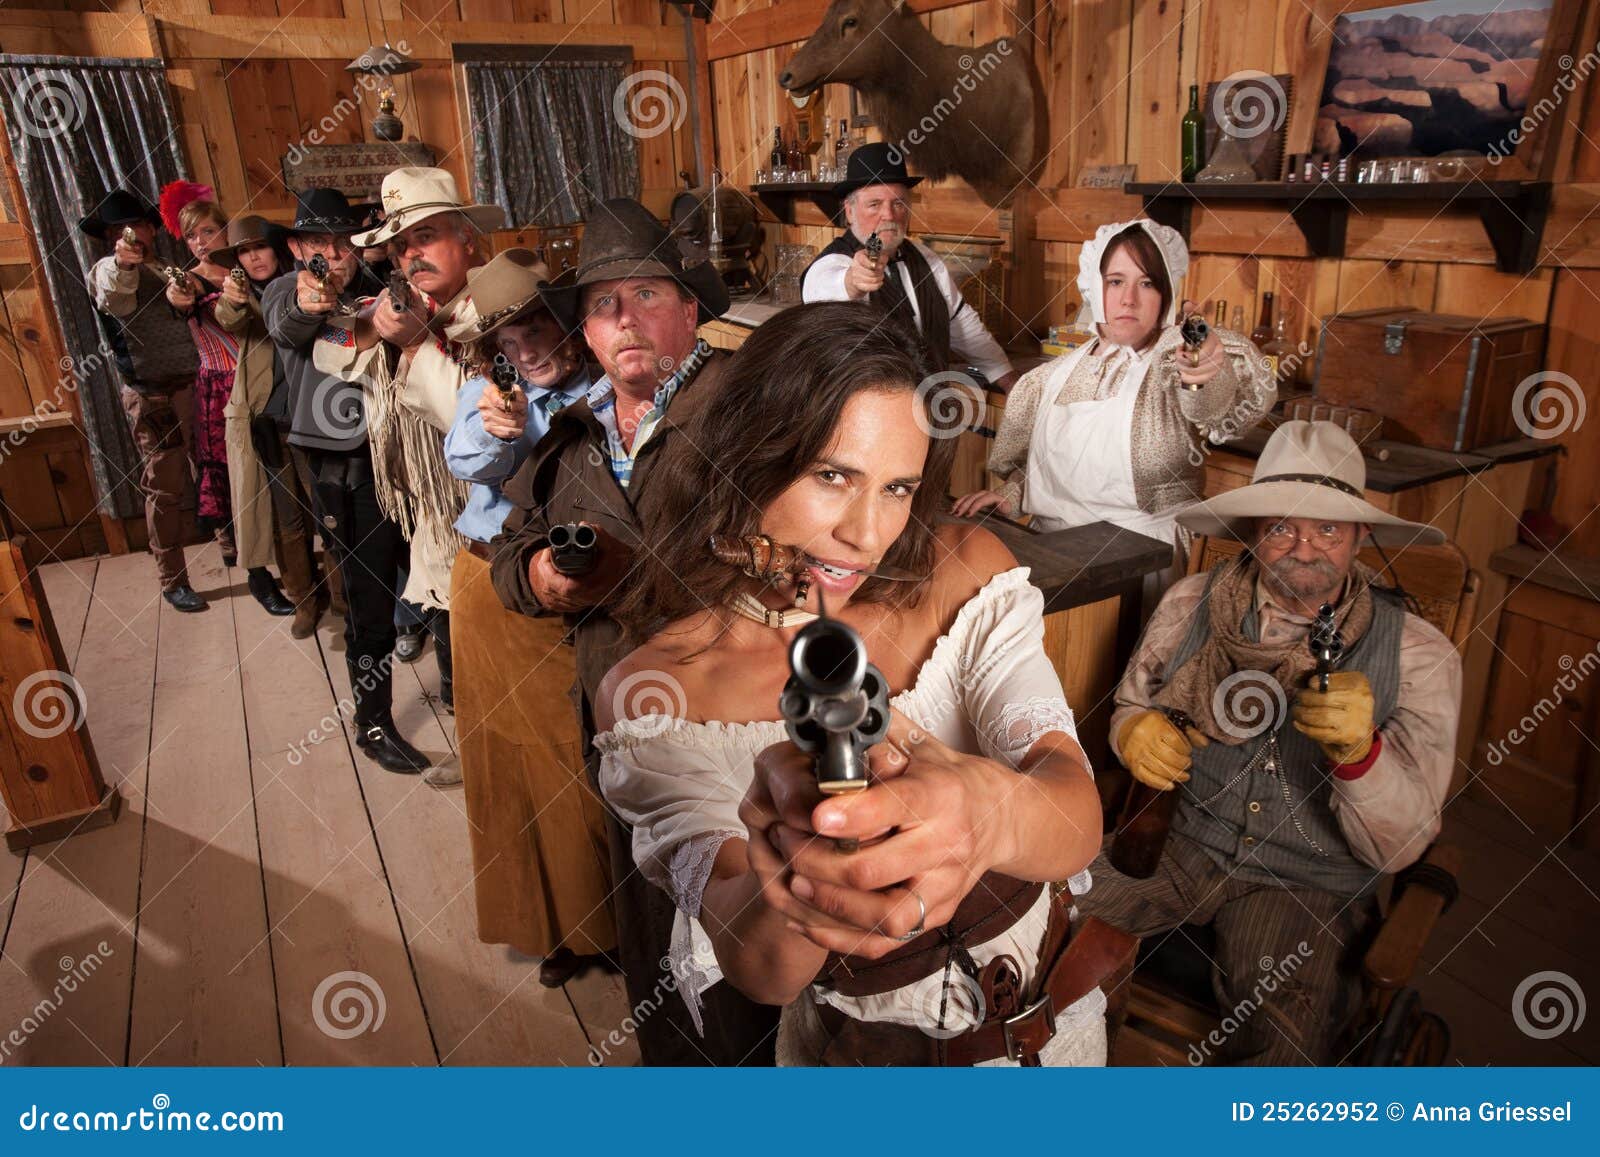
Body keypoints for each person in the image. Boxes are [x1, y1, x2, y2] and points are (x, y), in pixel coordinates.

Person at [595, 301, 1125, 1066]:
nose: (867, 535)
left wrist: (986, 808)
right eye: (833, 475)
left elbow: (1076, 814)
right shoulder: (659, 695)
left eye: (898, 487)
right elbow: (762, 968)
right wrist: (803, 857)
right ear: (746, 456)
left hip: (1054, 1042)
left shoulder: (964, 572)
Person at [489, 197, 781, 1063]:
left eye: (648, 295)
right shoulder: (575, 433)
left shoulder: (747, 414)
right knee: (650, 926)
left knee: (741, 939)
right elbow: (509, 553)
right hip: (617, 723)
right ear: (584, 328)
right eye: (604, 304)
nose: (627, 319)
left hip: (731, 725)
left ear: (691, 309)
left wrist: (648, 583)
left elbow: (801, 559)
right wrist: (540, 576)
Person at [1076, 420, 1461, 1066]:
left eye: (1328, 529)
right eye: (1281, 526)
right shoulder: (1190, 603)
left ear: (1361, 536)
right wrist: (1132, 731)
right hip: (1179, 843)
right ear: (1253, 531)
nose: (1303, 547)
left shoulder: (1421, 654)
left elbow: (1402, 845)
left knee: (1285, 1039)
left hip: (1303, 884)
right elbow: (1132, 707)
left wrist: (1362, 758)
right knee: (1034, 919)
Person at [439, 247, 613, 987]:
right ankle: (546, 928)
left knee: (575, 766)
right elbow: (465, 459)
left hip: (564, 594)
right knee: (502, 764)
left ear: (567, 321)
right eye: (507, 341)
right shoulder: (491, 395)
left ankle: (603, 923)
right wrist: (502, 429)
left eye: (537, 326)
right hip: (483, 587)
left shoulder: (605, 387)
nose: (527, 349)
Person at [954, 218, 1277, 609]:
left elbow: (1211, 403)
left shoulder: (1172, 356)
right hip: (1053, 561)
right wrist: (1012, 496)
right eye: (1116, 281)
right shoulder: (1050, 378)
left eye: (1147, 284)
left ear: (1167, 293)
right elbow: (1049, 471)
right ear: (1095, 285)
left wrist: (1201, 372)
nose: (1129, 299)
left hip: (1144, 566)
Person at [317, 167, 505, 747]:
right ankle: (418, 729)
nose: (410, 255)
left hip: (492, 512)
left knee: (486, 634)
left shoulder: (504, 307)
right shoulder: (397, 304)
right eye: (401, 245)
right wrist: (370, 327)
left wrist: (419, 344)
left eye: (425, 237)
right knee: (416, 604)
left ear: (467, 237)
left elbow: (478, 427)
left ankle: (483, 736)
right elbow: (327, 354)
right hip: (422, 504)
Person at [263, 187, 429, 774]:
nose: (331, 254)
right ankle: (373, 723)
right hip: (343, 467)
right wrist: (315, 300)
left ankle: (459, 691)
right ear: (296, 246)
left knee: (432, 581)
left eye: (341, 243)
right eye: (317, 243)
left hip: (406, 456)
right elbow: (286, 325)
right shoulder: (286, 289)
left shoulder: (376, 291)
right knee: (367, 598)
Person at [160, 184, 295, 617]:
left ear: (225, 231)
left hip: (266, 383)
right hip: (222, 387)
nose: (200, 242)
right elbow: (178, 298)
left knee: (279, 481)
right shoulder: (190, 281)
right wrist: (179, 294)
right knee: (240, 489)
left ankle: (296, 569)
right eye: (191, 236)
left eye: (207, 231)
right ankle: (258, 577)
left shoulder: (247, 267)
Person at [801, 142, 1017, 391]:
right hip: (861, 418)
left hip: (932, 406)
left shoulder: (925, 257)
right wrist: (854, 282)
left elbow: (962, 324)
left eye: (899, 203)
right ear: (849, 212)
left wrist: (1005, 376)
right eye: (874, 204)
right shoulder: (832, 264)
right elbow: (827, 288)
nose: (889, 215)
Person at [83, 188, 207, 613]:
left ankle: (232, 550)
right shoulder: (107, 269)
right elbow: (115, 299)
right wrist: (123, 262)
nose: (131, 234)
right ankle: (173, 579)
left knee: (213, 471)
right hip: (153, 394)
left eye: (137, 225)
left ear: (152, 229)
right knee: (165, 487)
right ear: (112, 238)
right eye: (120, 230)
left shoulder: (167, 266)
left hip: (197, 383)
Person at [211, 213, 323, 639]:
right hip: (269, 422)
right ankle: (304, 601)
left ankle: (344, 595)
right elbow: (230, 318)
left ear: (277, 250)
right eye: (243, 251)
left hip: (312, 419)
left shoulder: (304, 287)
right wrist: (236, 298)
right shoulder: (241, 298)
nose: (254, 257)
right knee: (288, 521)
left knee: (327, 514)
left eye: (259, 247)